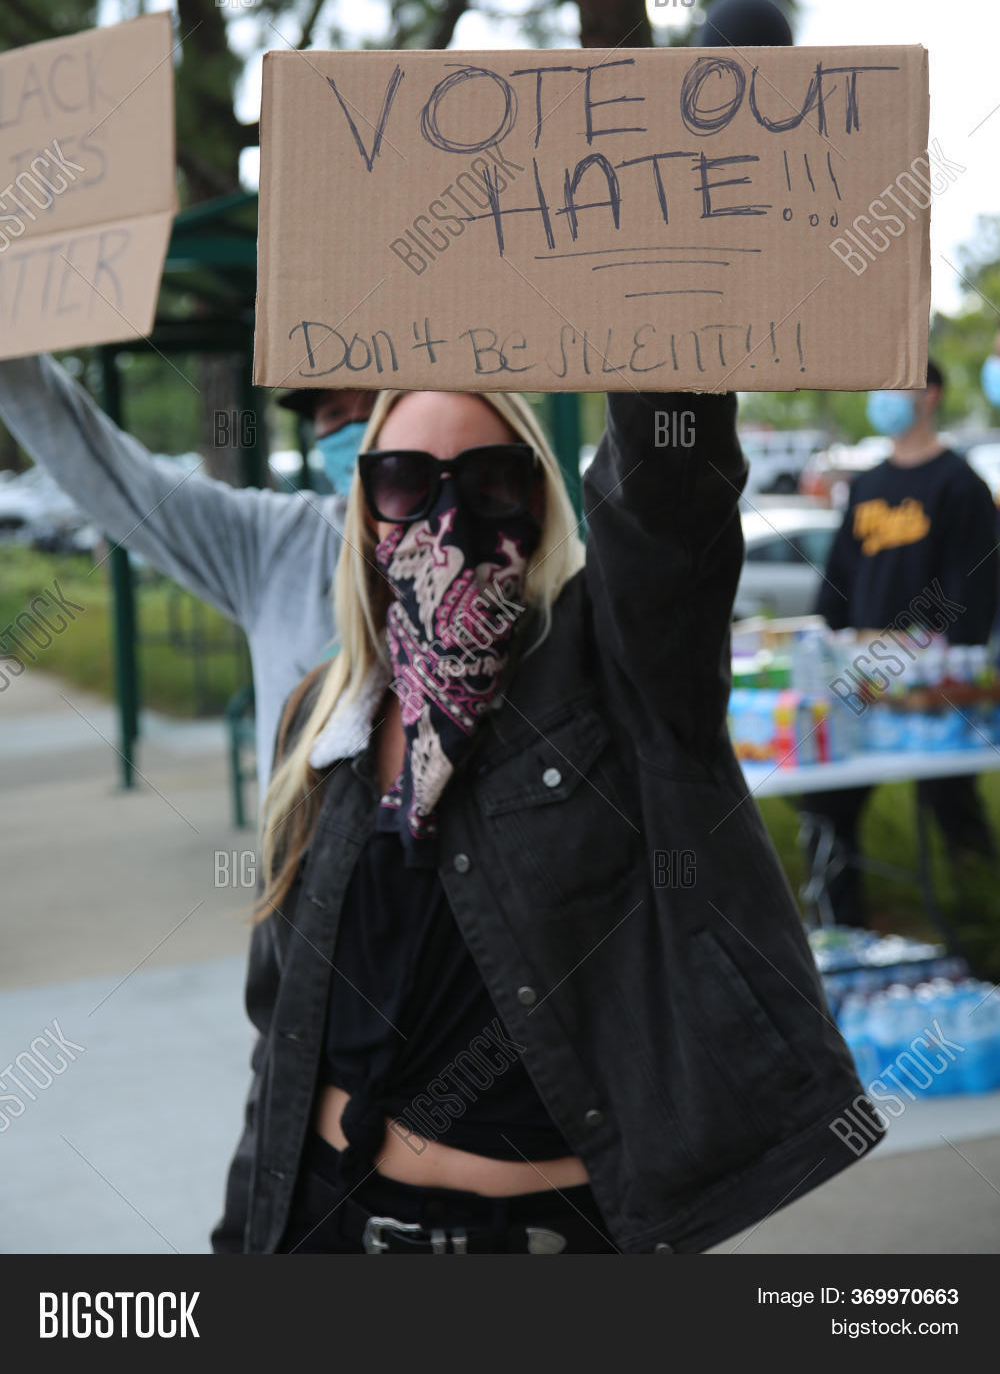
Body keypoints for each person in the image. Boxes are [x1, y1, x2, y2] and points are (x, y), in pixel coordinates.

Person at [211, 384, 882, 1256]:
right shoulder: (326, 717)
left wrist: (660, 342)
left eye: (487, 478)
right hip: (325, 1224)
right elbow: (283, 1031)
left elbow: (668, 503)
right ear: (367, 509)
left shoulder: (611, 667)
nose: (447, 515)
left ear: (536, 497)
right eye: (406, 479)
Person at [0, 353, 372, 796]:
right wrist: (13, 354)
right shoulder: (275, 540)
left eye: (374, 406)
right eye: (333, 415)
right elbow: (112, 472)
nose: (356, 428)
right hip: (303, 836)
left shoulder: (450, 549)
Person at [800, 358, 998, 926]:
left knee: (949, 800)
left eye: (896, 385)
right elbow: (838, 582)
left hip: (931, 678)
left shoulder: (960, 484)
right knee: (827, 803)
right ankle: (840, 932)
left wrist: (922, 650)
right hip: (858, 673)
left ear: (930, 394)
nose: (882, 397)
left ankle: (982, 924)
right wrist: (836, 638)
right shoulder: (867, 485)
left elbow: (972, 586)